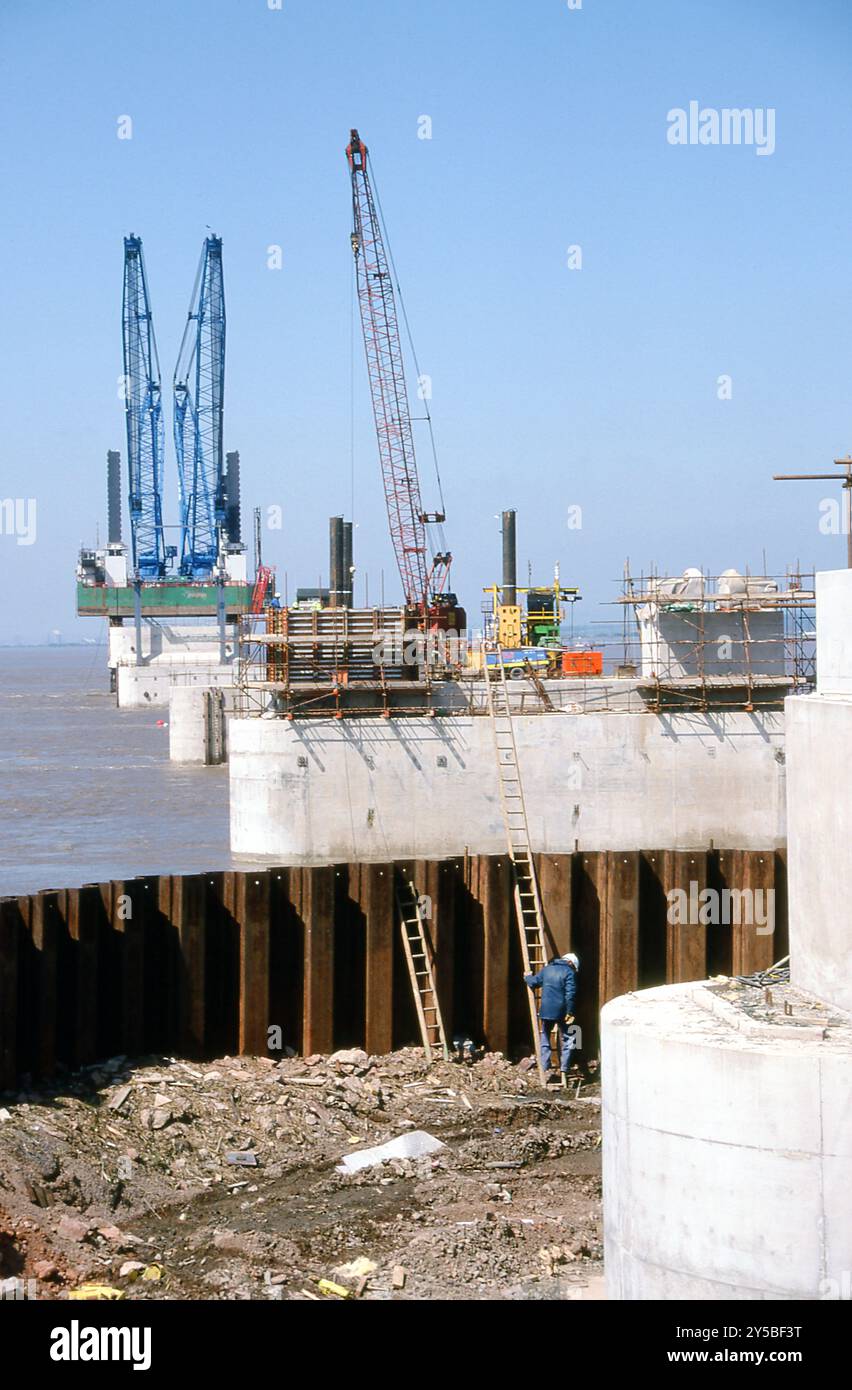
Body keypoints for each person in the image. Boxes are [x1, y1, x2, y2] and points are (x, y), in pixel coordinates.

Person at [524, 952, 579, 1084]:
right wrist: (570, 1012)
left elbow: (534, 982)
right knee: (569, 1038)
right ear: (571, 963)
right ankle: (564, 1068)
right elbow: (570, 994)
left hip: (546, 1009)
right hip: (561, 1010)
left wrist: (527, 977)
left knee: (545, 1036)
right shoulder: (569, 972)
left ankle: (544, 1064)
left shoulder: (547, 969)